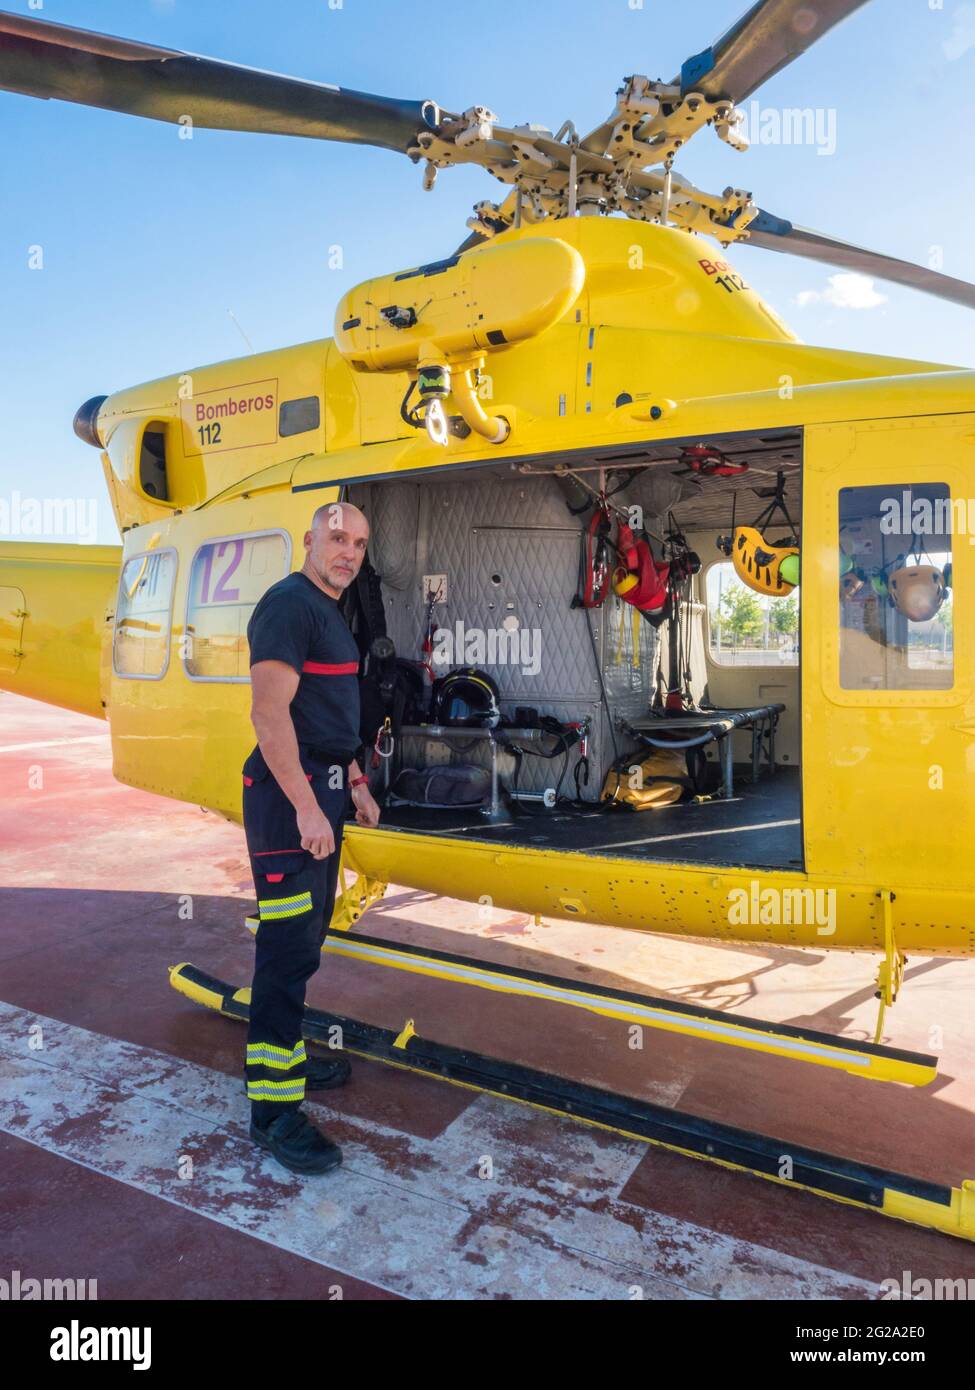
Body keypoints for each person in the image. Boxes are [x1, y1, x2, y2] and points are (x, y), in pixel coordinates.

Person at [242, 501, 381, 1175]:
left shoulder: (330, 614)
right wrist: (304, 806)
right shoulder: (288, 605)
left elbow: (328, 715)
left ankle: (287, 1061)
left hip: (322, 790)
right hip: (284, 799)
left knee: (306, 944)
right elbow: (269, 716)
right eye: (335, 537)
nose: (346, 551)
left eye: (356, 542)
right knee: (284, 951)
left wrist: (353, 779)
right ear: (309, 540)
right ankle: (272, 1112)